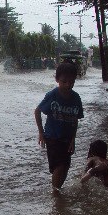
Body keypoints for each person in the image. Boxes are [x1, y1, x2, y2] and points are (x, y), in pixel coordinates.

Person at [34, 62, 84, 192]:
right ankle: (55, 193)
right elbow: (37, 111)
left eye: (71, 82)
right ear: (57, 80)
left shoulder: (76, 98)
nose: (68, 85)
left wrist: (73, 139)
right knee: (60, 166)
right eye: (64, 81)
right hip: (53, 137)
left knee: (66, 166)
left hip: (67, 139)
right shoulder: (52, 95)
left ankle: (57, 190)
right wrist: (41, 133)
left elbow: (75, 120)